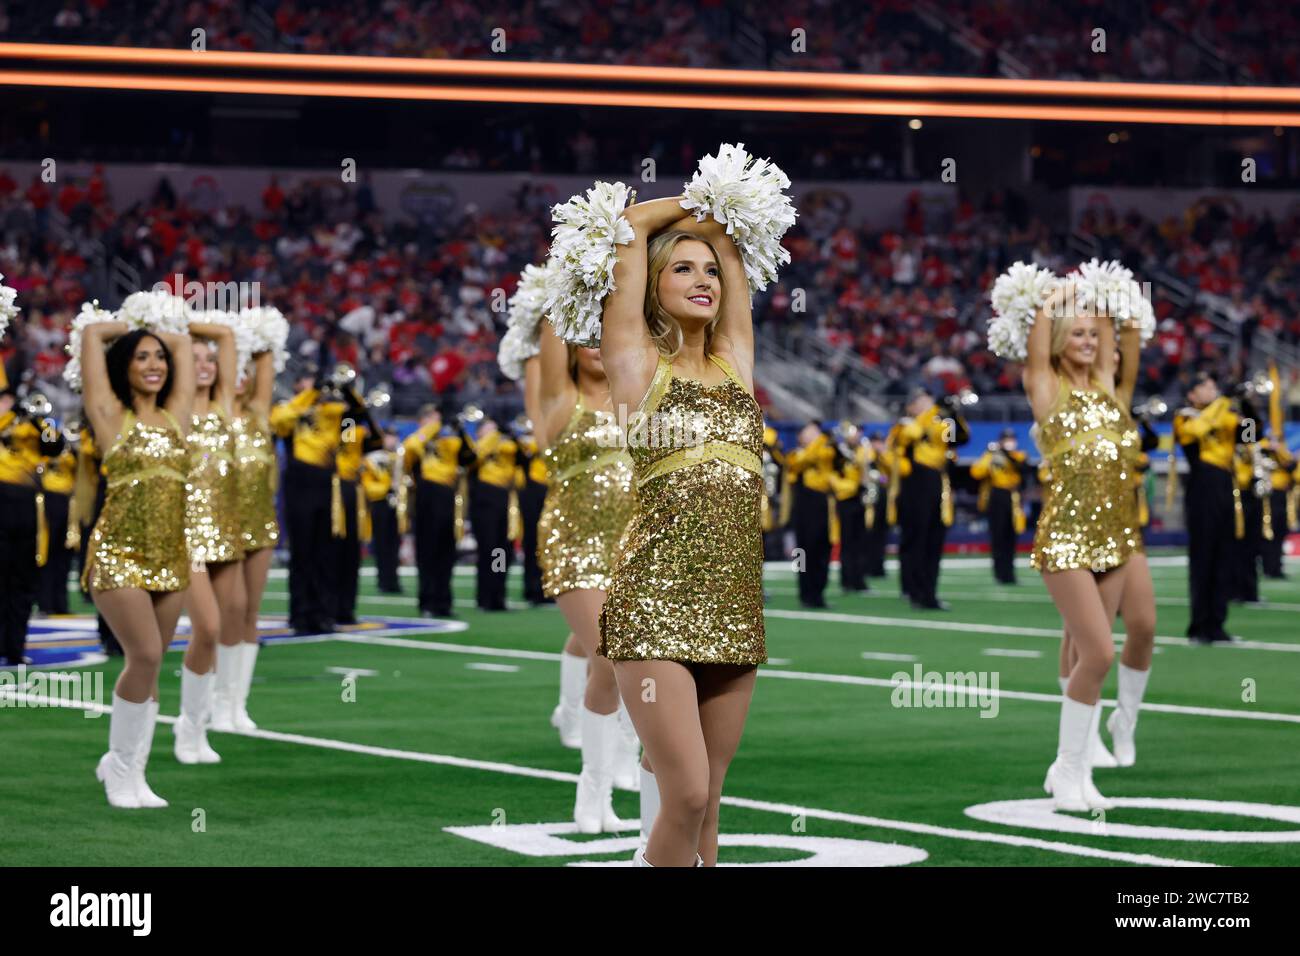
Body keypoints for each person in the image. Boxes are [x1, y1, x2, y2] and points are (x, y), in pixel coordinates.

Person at [598, 198, 766, 867]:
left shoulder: (736, 363)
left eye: (711, 272)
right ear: (652, 288)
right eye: (682, 270)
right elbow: (631, 224)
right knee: (687, 794)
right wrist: (705, 199)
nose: (703, 279)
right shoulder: (636, 364)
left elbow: (737, 254)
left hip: (734, 602)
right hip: (652, 603)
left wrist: (733, 218)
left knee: (712, 804)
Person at [1025, 283, 1143, 811]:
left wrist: (1116, 301)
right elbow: (1034, 351)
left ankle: (1076, 771)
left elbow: (1125, 342)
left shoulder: (1109, 390)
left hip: (1116, 535)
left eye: (1095, 335)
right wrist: (1050, 303)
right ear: (1056, 341)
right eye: (1079, 334)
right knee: (1097, 651)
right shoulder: (1047, 387)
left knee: (1095, 653)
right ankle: (1066, 766)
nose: (1091, 341)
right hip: (1067, 537)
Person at [526, 317, 639, 834]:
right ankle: (592, 783)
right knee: (609, 653)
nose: (595, 346)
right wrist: (583, 258)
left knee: (626, 663)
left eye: (603, 336)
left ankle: (611, 772)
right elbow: (555, 322)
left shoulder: (635, 396)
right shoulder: (558, 399)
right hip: (574, 544)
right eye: (584, 337)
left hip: (633, 544)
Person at [81, 320, 195, 808]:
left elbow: (185, 343)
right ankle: (118, 766)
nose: (155, 365)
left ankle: (134, 773)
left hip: (170, 554)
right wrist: (130, 322)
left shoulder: (176, 417)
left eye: (159, 357)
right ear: (122, 366)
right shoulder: (110, 415)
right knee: (144, 654)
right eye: (142, 357)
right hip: (118, 551)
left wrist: (160, 322)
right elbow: (89, 335)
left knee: (152, 667)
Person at [175, 321, 243, 761]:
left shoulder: (225, 404)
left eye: (209, 360)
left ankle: (200, 726)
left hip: (225, 531)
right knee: (208, 627)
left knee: (226, 625)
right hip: (185, 533)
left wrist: (179, 316)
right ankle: (187, 727)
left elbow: (228, 339)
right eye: (193, 359)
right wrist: (172, 326)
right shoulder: (176, 409)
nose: (204, 365)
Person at [224, 348, 280, 734]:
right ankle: (215, 697)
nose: (242, 378)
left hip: (260, 524)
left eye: (248, 372)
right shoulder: (215, 415)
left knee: (249, 614)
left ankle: (237, 703)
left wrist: (262, 335)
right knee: (225, 614)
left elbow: (267, 364)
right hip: (221, 526)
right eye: (235, 371)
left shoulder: (260, 418)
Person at [271, 366, 347, 635]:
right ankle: (300, 614)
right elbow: (280, 423)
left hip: (326, 484)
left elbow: (348, 434)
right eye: (308, 381)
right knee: (302, 553)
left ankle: (325, 613)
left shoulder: (334, 412)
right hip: (298, 485)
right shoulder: (288, 407)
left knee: (326, 553)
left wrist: (336, 393)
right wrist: (309, 395)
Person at [1174, 373, 1249, 643]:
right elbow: (1196, 432)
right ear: (1192, 394)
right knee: (1203, 557)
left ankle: (1217, 624)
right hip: (1201, 486)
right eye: (1206, 386)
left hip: (1225, 486)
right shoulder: (1184, 416)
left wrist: (1248, 408)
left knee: (1224, 555)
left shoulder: (1226, 414)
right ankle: (1198, 625)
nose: (1213, 390)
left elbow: (1251, 435)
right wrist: (1224, 401)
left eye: (1214, 386)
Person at [0, 388, 65, 665]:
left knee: (22, 581)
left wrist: (37, 420)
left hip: (27, 506)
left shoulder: (35, 428)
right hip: (1, 501)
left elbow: (56, 446)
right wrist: (12, 415)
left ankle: (15, 648)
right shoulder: (8, 422)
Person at [891, 388, 970, 610]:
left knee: (935, 538)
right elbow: (906, 438)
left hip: (937, 479)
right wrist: (932, 414)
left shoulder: (939, 421)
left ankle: (929, 593)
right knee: (916, 537)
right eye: (922, 401)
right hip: (915, 482)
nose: (928, 404)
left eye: (928, 399)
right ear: (912, 407)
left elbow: (957, 439)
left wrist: (953, 414)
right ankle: (913, 590)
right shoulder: (907, 424)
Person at [402, 405, 475, 617]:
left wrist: (459, 430)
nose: (439, 423)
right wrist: (433, 425)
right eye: (433, 418)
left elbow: (470, 457)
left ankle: (444, 601)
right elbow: (410, 449)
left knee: (447, 553)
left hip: (448, 499)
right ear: (423, 420)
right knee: (428, 553)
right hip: (426, 500)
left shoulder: (449, 443)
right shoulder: (418, 441)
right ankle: (427, 602)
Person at [467, 414, 517, 612]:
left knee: (501, 551)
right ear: (480, 432)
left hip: (503, 500)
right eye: (488, 428)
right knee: (488, 550)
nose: (494, 432)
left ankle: (499, 596)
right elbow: (475, 455)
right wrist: (494, 434)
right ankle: (485, 597)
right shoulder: (476, 446)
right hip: (484, 502)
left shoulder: (504, 448)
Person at [784, 421, 834, 608]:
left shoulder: (825, 451)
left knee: (822, 549)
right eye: (809, 432)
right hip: (804, 509)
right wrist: (819, 440)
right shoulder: (795, 455)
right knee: (804, 552)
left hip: (822, 506)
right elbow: (802, 462)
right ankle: (805, 592)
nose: (815, 436)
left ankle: (819, 593)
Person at [970, 428, 1027, 585]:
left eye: (1011, 438)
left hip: (1013, 497)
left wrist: (1005, 455)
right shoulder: (991, 456)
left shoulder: (1018, 455)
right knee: (998, 536)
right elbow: (976, 472)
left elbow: (1022, 467)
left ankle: (1010, 574)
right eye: (1006, 439)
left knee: (1011, 536)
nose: (1009, 442)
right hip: (997, 496)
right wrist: (990, 458)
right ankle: (1000, 574)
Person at [37, 412, 77, 616]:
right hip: (48, 501)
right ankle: (45, 602)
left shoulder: (70, 450)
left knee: (63, 556)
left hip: (68, 505)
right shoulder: (43, 450)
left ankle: (60, 603)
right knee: (47, 553)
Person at [828, 422, 870, 594]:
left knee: (860, 542)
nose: (856, 436)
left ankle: (859, 580)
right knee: (847, 542)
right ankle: (847, 581)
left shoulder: (859, 450)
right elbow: (833, 477)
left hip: (859, 499)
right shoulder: (838, 453)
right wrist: (852, 488)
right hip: (844, 499)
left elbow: (864, 471)